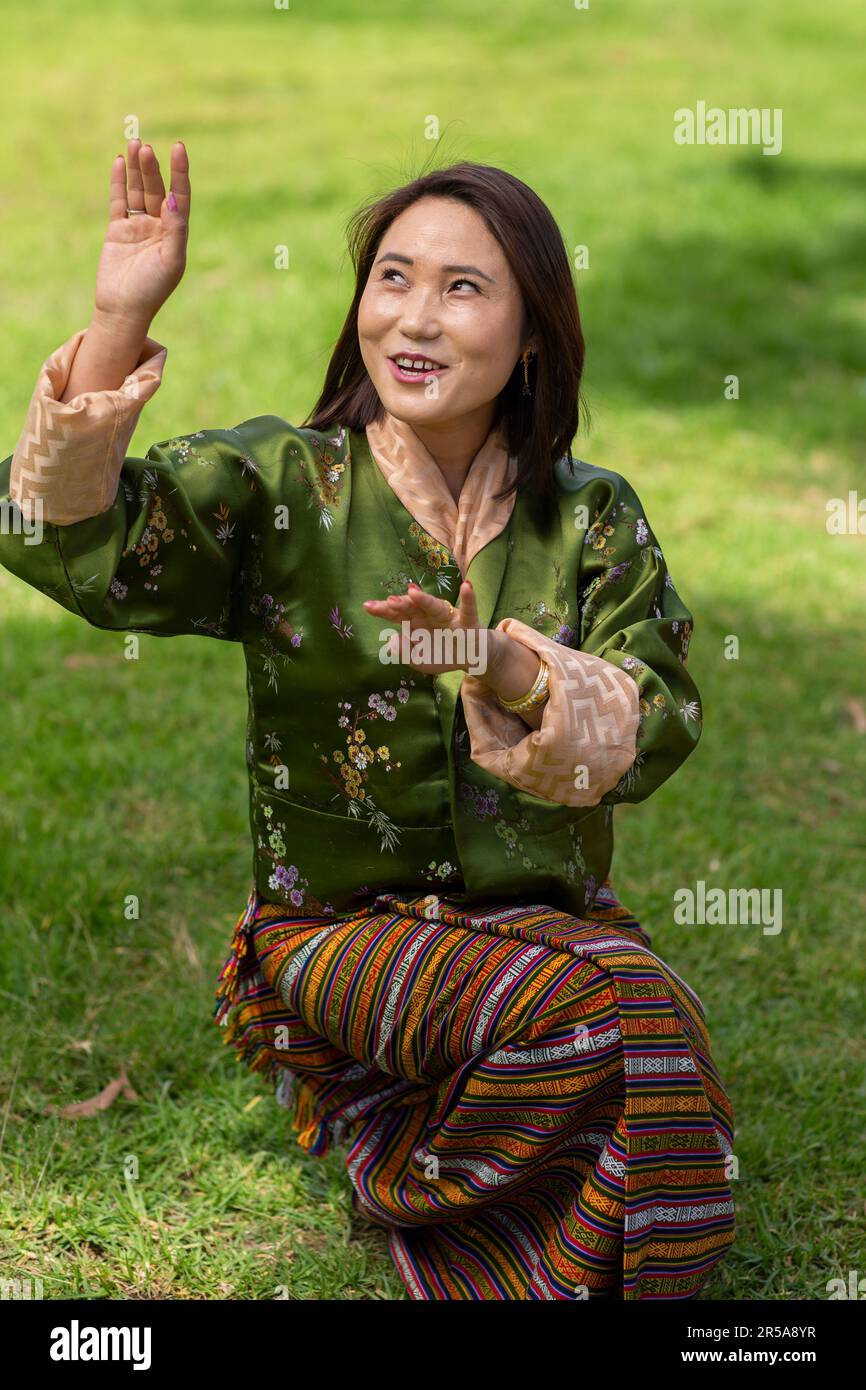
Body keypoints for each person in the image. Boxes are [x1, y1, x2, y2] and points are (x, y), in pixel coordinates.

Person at [0, 139, 735, 1300]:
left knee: (656, 1036)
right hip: (335, 937)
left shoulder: (589, 518)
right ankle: (398, 1148)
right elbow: (63, 535)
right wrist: (116, 315)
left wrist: (502, 663)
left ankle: (499, 1181)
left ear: (532, 330)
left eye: (461, 287)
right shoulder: (284, 485)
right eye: (391, 277)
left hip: (544, 927)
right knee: (600, 1015)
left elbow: (655, 719)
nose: (416, 317)